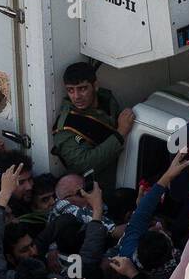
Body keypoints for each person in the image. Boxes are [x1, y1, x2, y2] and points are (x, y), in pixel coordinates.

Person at [51, 62, 134, 192]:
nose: (76, 96)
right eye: (70, 90)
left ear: (95, 86)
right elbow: (84, 165)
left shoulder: (107, 101)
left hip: (128, 170)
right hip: (99, 190)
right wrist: (120, 133)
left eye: (82, 88)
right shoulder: (66, 126)